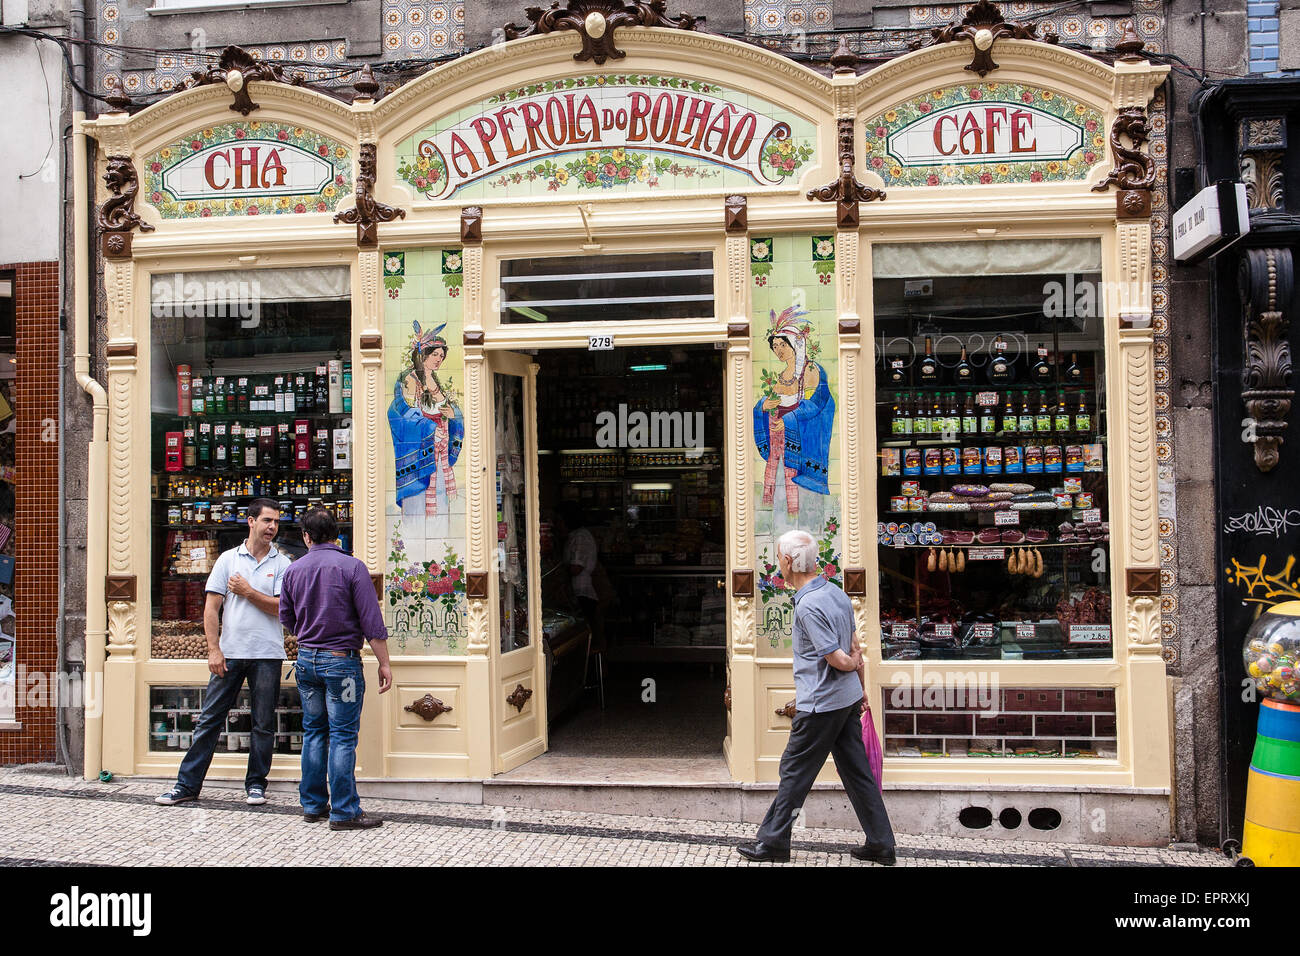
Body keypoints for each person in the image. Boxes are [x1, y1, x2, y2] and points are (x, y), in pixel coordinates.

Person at [737, 529, 896, 865]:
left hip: (821, 704)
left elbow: (841, 657)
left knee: (794, 772)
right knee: (857, 772)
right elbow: (857, 648)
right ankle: (882, 843)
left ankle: (773, 843)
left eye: (779, 555)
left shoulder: (808, 605)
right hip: (846, 699)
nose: (777, 561)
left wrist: (850, 667)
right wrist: (862, 690)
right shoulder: (835, 591)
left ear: (790, 562)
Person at [156, 499, 292, 808]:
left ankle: (256, 785)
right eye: (267, 520)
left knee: (263, 723)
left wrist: (247, 592)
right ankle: (186, 785)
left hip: (267, 654)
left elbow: (283, 609)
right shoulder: (228, 560)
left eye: (276, 522)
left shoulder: (282, 564)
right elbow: (211, 607)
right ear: (251, 521)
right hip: (229, 653)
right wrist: (213, 649)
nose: (272, 527)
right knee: (209, 721)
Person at [279, 506, 393, 830]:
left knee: (314, 731)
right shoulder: (352, 567)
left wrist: (306, 631)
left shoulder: (293, 570)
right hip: (341, 663)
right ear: (338, 534)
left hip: (306, 661)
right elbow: (372, 622)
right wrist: (384, 663)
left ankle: (313, 805)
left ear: (306, 536)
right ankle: (344, 811)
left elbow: (286, 618)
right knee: (343, 736)